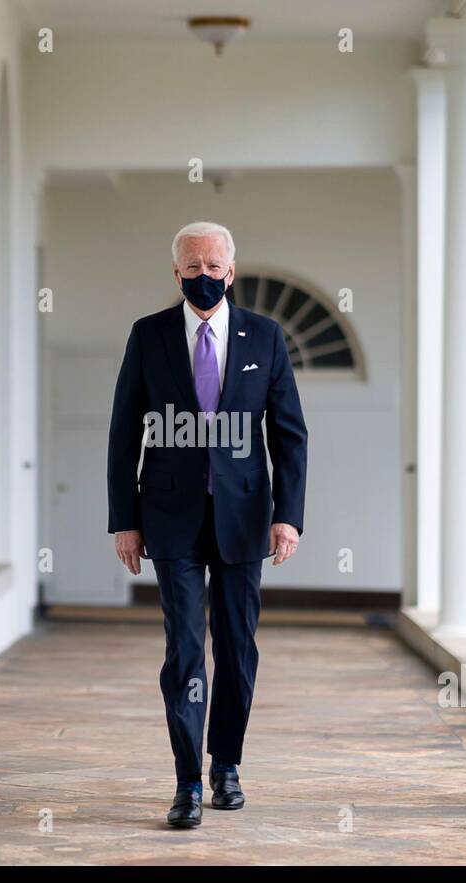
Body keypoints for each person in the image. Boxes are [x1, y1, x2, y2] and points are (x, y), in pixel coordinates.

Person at [106, 221, 308, 828]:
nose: (204, 276)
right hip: (170, 522)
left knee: (238, 650)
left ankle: (227, 766)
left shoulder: (266, 338)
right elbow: (123, 433)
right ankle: (187, 781)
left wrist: (288, 518)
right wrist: (126, 521)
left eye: (214, 265)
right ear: (176, 273)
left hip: (245, 519)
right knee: (186, 653)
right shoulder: (149, 336)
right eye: (192, 266)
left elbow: (290, 435)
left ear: (231, 268)